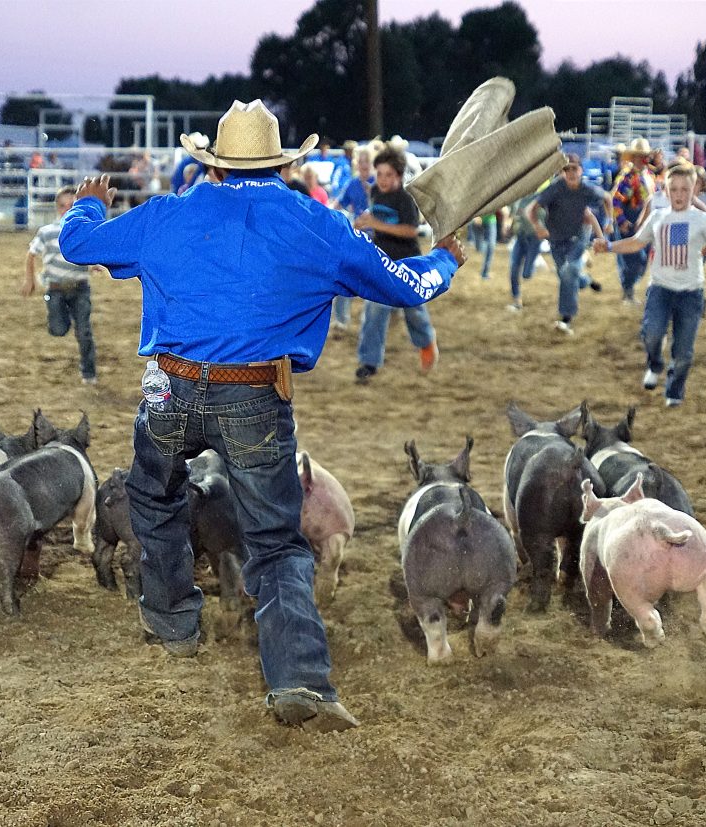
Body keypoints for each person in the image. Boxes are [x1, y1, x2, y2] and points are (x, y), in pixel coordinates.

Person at [57, 100, 465, 731]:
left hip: (169, 389)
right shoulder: (316, 224)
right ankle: (299, 678)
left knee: (154, 496)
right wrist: (446, 260)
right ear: (283, 166)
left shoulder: (168, 213)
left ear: (213, 165)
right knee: (274, 540)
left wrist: (87, 203)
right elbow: (404, 285)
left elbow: (78, 242)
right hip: (255, 397)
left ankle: (172, 619)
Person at [596, 165, 706, 407]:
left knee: (684, 350)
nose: (679, 194)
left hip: (691, 293)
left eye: (685, 189)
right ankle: (655, 364)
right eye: (674, 189)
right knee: (652, 334)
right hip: (660, 289)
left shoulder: (702, 220)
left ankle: (674, 391)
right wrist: (610, 246)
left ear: (693, 191)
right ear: (665, 191)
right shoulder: (658, 217)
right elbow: (636, 242)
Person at [353, 147, 440, 383]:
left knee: (414, 311)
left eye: (388, 175)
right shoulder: (374, 192)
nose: (382, 179)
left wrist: (376, 225)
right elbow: (376, 218)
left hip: (407, 263)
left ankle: (426, 342)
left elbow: (411, 230)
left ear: (399, 176)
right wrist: (364, 224)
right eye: (379, 174)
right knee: (374, 310)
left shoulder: (406, 198)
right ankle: (369, 362)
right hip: (382, 262)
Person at [526, 154, 612, 334]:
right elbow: (530, 209)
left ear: (581, 170)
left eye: (574, 168)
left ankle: (566, 317)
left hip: (578, 237)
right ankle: (586, 280)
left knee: (568, 271)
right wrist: (537, 226)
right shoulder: (555, 188)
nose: (571, 172)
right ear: (562, 172)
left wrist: (609, 223)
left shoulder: (586, 189)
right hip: (556, 239)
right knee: (567, 275)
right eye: (567, 169)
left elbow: (607, 198)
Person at [21, 185, 98, 384]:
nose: (67, 210)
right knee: (58, 329)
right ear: (57, 208)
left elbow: (93, 253)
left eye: (72, 206)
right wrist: (30, 280)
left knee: (84, 332)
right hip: (55, 289)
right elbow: (31, 254)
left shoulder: (85, 232)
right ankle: (63, 320)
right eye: (64, 206)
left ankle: (89, 373)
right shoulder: (47, 232)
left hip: (80, 288)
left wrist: (95, 263)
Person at [328, 149, 374, 332]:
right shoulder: (352, 184)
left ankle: (391, 309)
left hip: (379, 237)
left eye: (367, 161)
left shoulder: (379, 183)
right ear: (356, 164)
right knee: (343, 271)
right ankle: (341, 319)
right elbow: (339, 204)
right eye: (360, 161)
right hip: (358, 235)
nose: (363, 165)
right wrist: (327, 212)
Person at [610, 139, 654, 303]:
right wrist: (621, 221)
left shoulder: (649, 176)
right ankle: (627, 290)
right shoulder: (627, 177)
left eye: (643, 156)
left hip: (645, 220)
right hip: (629, 221)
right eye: (638, 156)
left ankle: (628, 289)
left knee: (642, 260)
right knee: (634, 259)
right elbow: (616, 201)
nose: (641, 159)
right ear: (633, 157)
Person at [506, 191, 544, 312]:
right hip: (520, 237)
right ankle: (517, 301)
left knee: (527, 274)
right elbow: (513, 215)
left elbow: (544, 216)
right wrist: (509, 227)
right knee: (513, 268)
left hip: (534, 238)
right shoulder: (517, 198)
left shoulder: (539, 198)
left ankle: (536, 263)